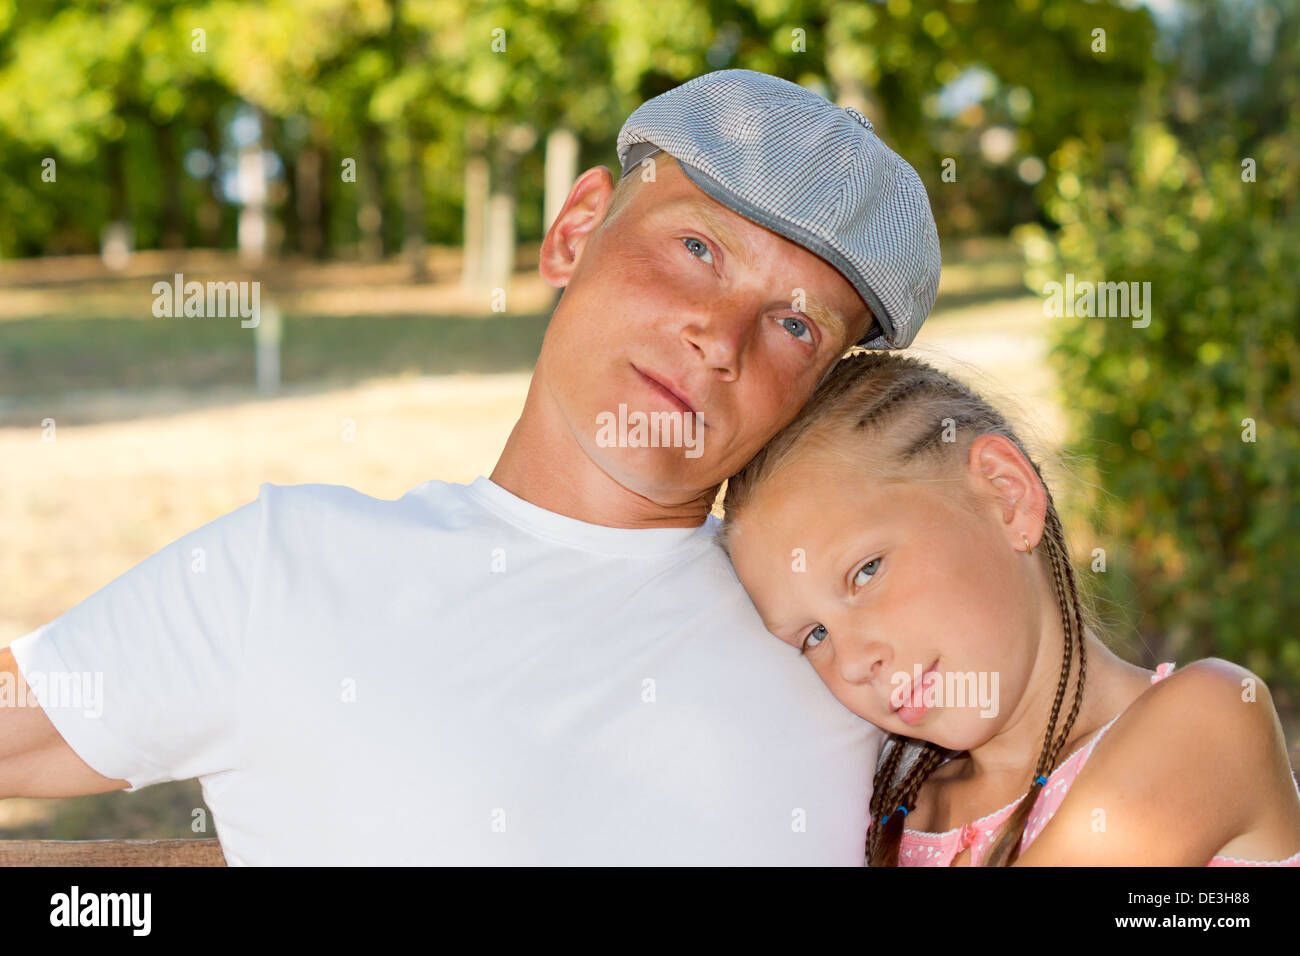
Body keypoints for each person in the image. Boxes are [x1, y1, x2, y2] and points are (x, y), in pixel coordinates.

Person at [0, 70, 942, 865]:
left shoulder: (848, 634)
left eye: (794, 323)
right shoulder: (285, 570)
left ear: (819, 386)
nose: (719, 337)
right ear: (575, 231)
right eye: (697, 247)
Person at [721, 351, 1300, 866]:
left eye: (866, 571)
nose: (852, 661)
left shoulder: (1205, 723)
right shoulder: (903, 818)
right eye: (814, 635)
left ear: (1006, 495)